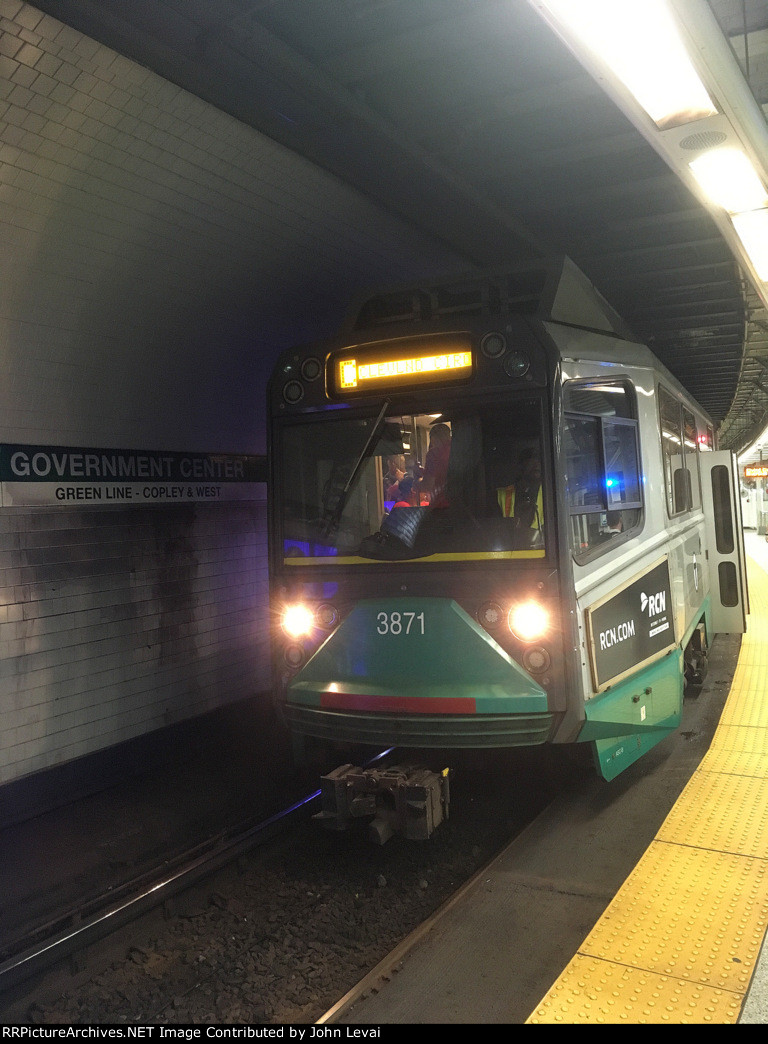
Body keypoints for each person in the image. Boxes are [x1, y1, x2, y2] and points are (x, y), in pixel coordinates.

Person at [496, 450, 544, 541]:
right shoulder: (501, 495)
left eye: (539, 461)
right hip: (509, 549)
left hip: (542, 549)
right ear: (521, 467)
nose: (537, 464)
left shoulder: (550, 493)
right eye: (532, 461)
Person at [417, 423, 451, 507]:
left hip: (441, 504)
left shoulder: (433, 454)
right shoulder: (458, 451)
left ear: (433, 439)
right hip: (461, 504)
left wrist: (417, 481)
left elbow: (428, 484)